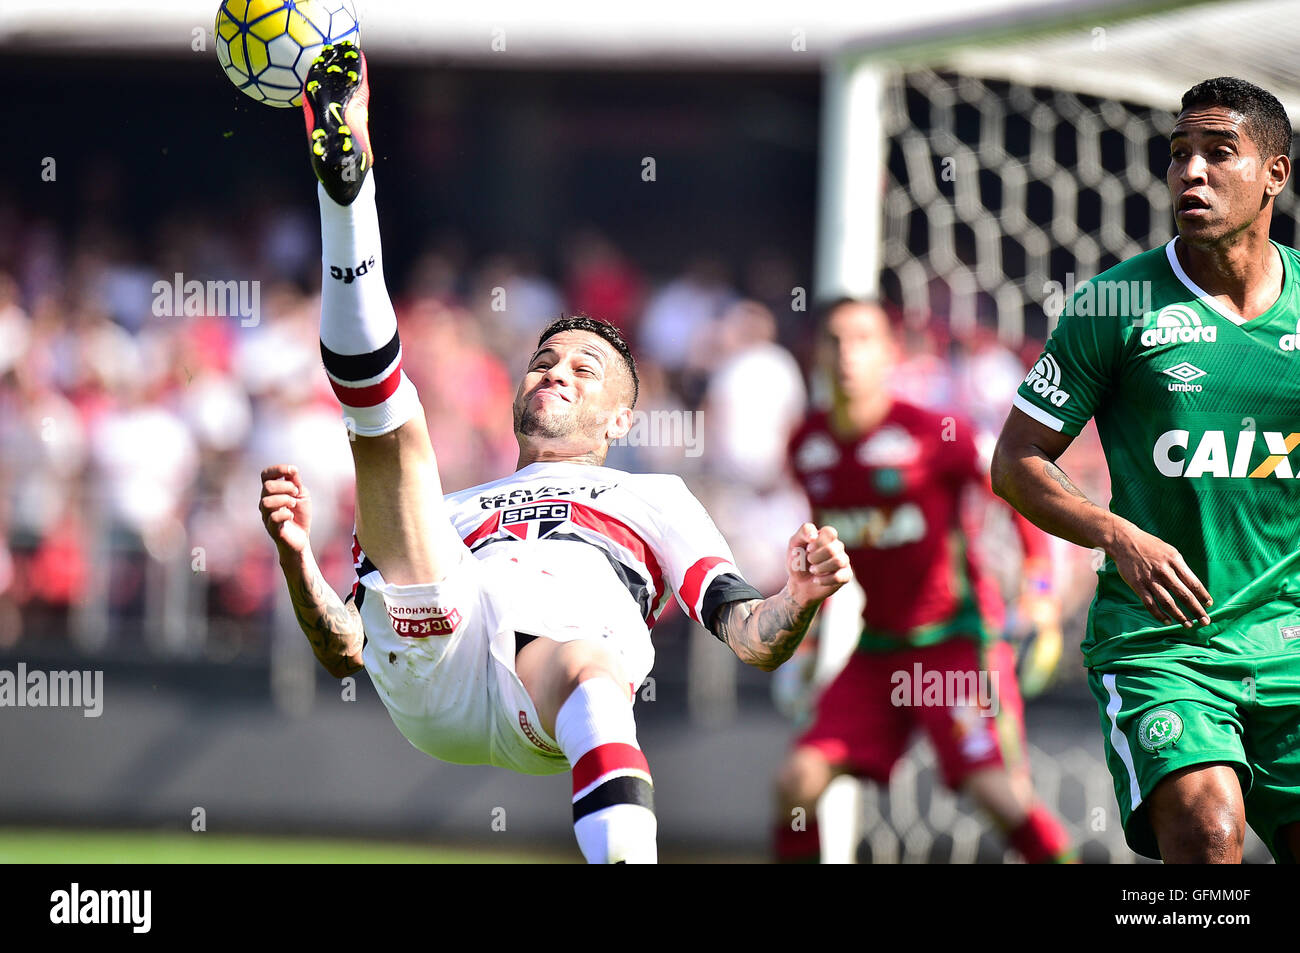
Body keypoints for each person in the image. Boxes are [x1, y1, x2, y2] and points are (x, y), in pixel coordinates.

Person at [257, 42, 852, 865]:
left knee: (584, 661)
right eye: (544, 359)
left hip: (558, 682)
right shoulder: (456, 507)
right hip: (438, 656)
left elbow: (749, 634)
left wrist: (802, 598)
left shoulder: (655, 500)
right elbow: (343, 648)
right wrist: (295, 562)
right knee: (395, 428)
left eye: (585, 366)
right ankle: (346, 191)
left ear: (618, 420)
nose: (556, 370)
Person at [993, 76, 1300, 864]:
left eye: (1218, 152)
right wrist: (1117, 533)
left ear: (1275, 172)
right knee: (1208, 833)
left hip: (1289, 633)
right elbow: (1015, 461)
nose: (1190, 172)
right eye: (1178, 155)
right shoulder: (1113, 305)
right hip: (1163, 640)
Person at [773, 297, 1073, 863]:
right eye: (834, 341)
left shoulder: (937, 433)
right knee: (796, 782)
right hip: (879, 648)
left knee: (1000, 796)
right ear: (817, 355)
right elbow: (824, 554)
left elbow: (1018, 488)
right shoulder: (807, 446)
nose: (847, 355)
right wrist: (805, 640)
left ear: (890, 353)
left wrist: (1039, 595)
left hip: (957, 644)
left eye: (863, 340)